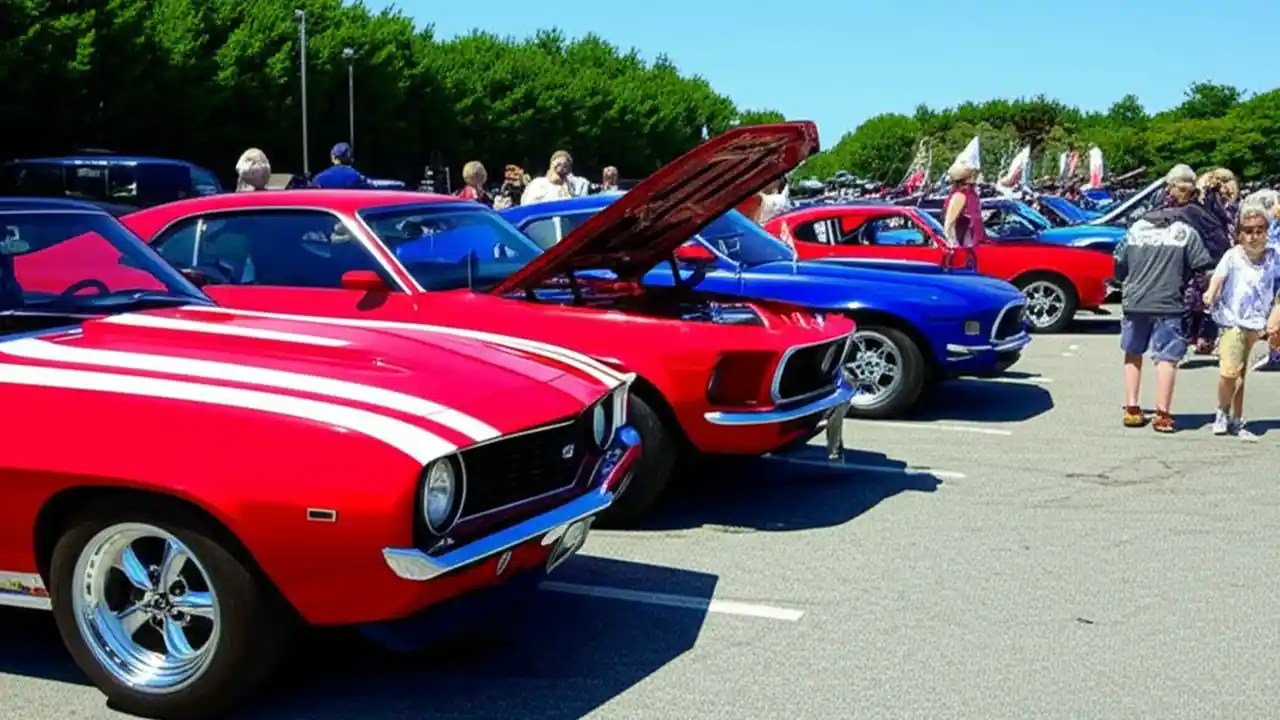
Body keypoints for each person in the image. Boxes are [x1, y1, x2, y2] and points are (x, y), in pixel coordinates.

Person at [1114, 164, 1216, 432]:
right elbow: (1202, 266)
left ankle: (1132, 408)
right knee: (1167, 358)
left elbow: (1119, 262)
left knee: (1133, 352)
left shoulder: (1136, 228)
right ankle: (1163, 414)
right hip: (1169, 302)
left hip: (1134, 299)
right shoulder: (1184, 231)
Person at [1201, 206, 1279, 439]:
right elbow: (1218, 277)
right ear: (1239, 235)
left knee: (1240, 372)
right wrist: (1211, 293)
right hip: (1231, 320)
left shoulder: (1274, 257)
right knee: (1229, 371)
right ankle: (1222, 412)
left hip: (1257, 322)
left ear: (1267, 232)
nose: (1254, 236)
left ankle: (1235, 416)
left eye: (1259, 230)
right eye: (1248, 231)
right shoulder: (1233, 255)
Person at [1183, 168, 1237, 354]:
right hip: (1220, 255)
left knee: (1201, 298)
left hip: (1204, 256)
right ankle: (1208, 339)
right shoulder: (1228, 207)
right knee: (1217, 300)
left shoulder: (1200, 206)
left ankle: (1198, 337)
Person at [941, 161, 987, 248]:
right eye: (971, 175)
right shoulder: (959, 196)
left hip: (970, 242)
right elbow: (949, 225)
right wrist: (954, 246)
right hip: (963, 243)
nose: (975, 177)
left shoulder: (970, 194)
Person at [521, 150, 587, 205]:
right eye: (558, 164)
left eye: (565, 166)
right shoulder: (538, 184)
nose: (561, 169)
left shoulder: (572, 187)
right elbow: (527, 207)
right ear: (551, 167)